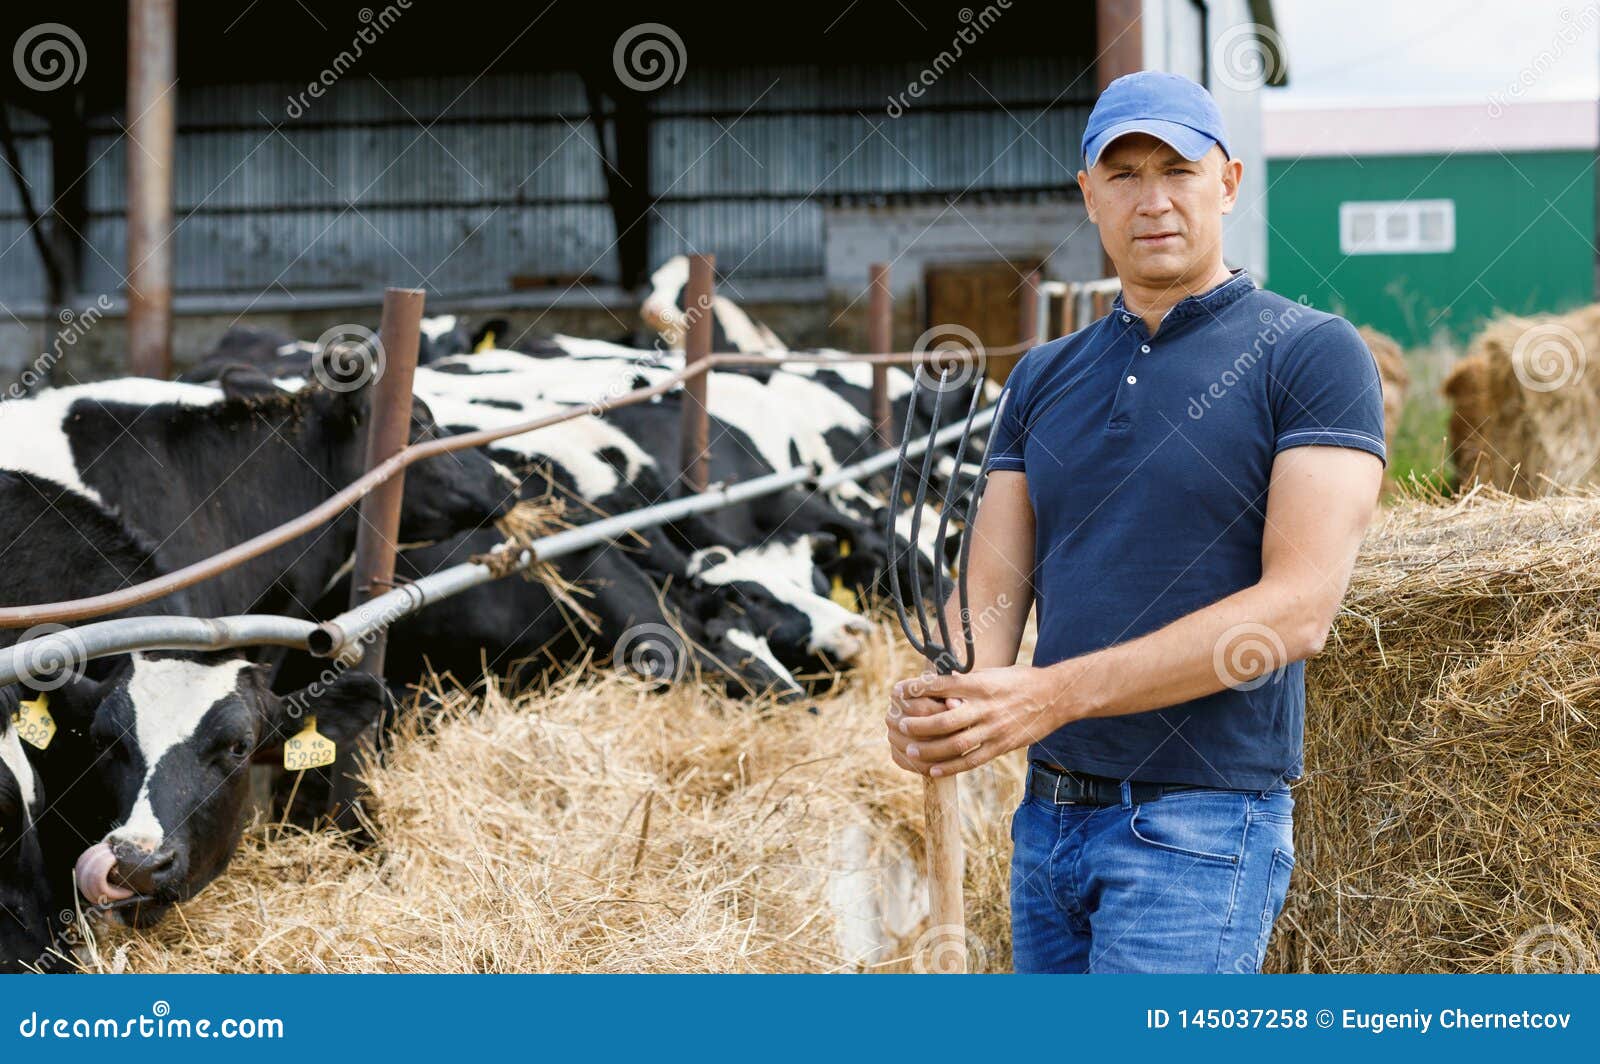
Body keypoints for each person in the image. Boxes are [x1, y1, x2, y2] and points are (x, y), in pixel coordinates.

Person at [885, 70, 1386, 974]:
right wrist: (948, 698)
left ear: (1226, 182)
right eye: (1122, 176)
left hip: (1196, 825)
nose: (1152, 200)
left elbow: (1296, 610)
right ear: (1088, 195)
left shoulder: (1311, 353)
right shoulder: (1043, 375)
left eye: (1177, 170)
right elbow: (991, 603)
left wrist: (1050, 695)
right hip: (1048, 827)